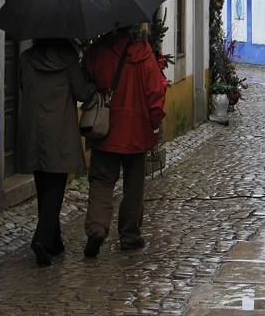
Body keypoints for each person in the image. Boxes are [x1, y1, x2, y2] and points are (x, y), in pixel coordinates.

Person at [83, 27, 167, 257]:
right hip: (136, 133)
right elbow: (155, 94)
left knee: (101, 182)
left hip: (106, 129)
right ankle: (130, 236)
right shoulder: (145, 54)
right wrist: (156, 123)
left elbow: (87, 76)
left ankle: (97, 228)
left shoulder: (99, 50)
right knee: (133, 187)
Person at [17, 38, 95, 266]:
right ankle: (41, 239)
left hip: (33, 128)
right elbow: (81, 92)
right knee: (56, 185)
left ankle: (54, 240)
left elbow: (23, 85)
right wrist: (92, 85)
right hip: (59, 128)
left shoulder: (25, 58)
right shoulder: (69, 60)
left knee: (42, 182)